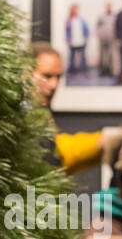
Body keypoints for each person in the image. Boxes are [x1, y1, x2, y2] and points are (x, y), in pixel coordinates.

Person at [29, 41, 103, 174]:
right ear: (26, 73)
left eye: (58, 77)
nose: (54, 85)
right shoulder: (14, 116)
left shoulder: (42, 113)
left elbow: (57, 155)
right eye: (47, 76)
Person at [64, 3, 89, 76]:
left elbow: (86, 29)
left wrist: (86, 36)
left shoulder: (81, 19)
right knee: (72, 58)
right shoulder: (69, 20)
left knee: (83, 58)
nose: (76, 11)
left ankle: (84, 71)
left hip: (81, 41)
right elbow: (67, 31)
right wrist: (68, 39)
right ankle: (71, 72)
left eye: (77, 9)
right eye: (75, 9)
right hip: (72, 42)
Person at [96, 2, 117, 78]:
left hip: (111, 39)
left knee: (110, 56)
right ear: (106, 7)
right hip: (103, 39)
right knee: (102, 56)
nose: (108, 7)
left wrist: (115, 36)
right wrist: (100, 35)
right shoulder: (102, 16)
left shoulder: (114, 16)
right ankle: (102, 71)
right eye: (107, 6)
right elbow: (98, 26)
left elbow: (116, 27)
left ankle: (110, 71)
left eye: (109, 6)